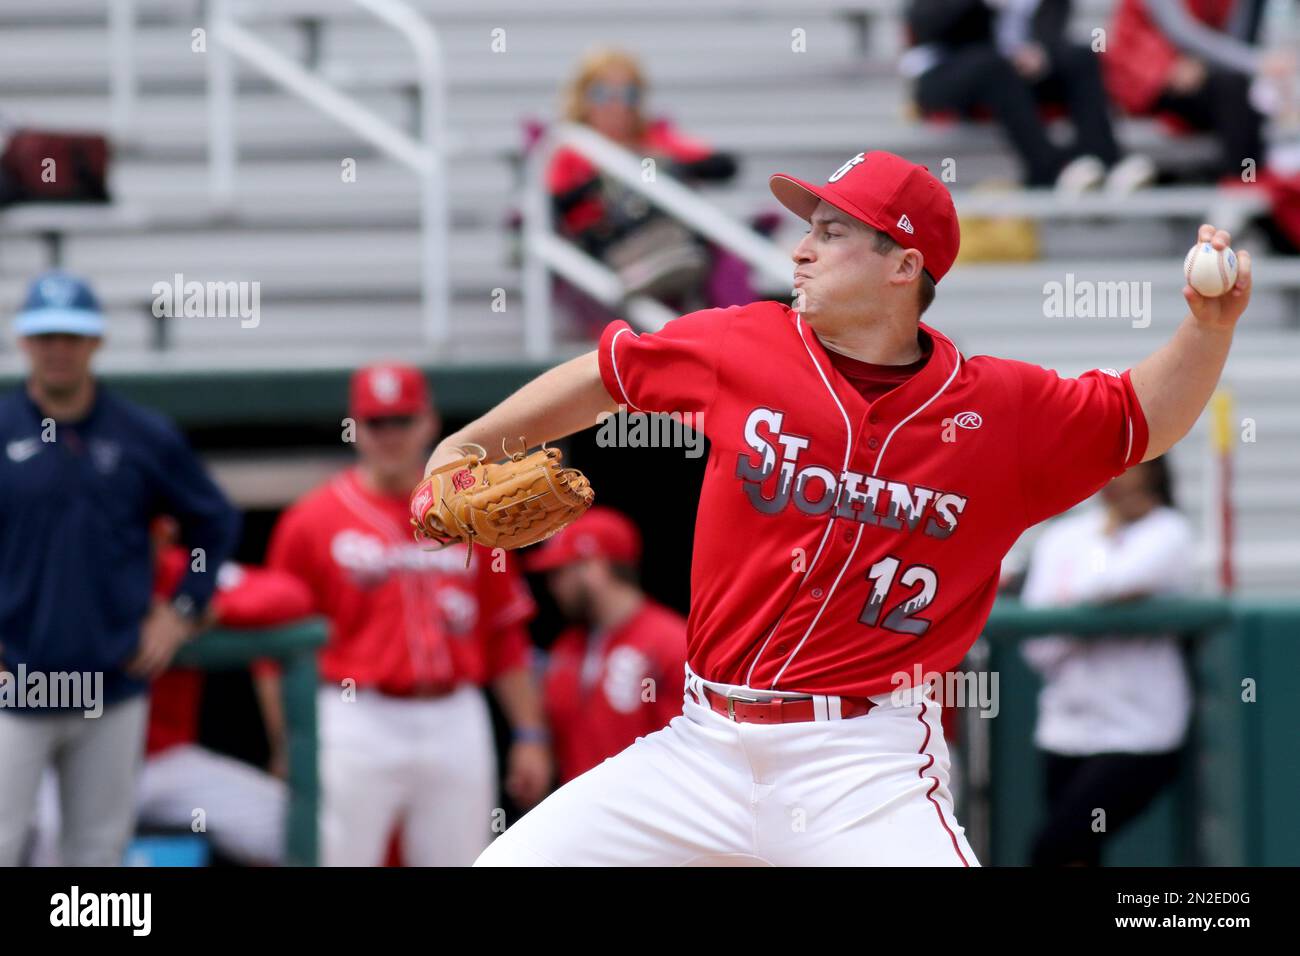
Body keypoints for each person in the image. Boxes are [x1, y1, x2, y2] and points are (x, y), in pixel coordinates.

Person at [423, 147, 1250, 867]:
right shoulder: (744, 344)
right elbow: (609, 376)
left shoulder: (1000, 410)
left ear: (903, 266)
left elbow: (1143, 418)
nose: (802, 250)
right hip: (702, 742)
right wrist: (468, 446)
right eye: (808, 228)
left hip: (860, 759)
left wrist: (1208, 329)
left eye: (831, 232)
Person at [264, 363, 552, 866]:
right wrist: (289, 739)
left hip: (456, 711)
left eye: (402, 420)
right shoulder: (309, 521)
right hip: (357, 713)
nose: (390, 435)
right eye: (377, 422)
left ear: (429, 422)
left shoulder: (474, 509)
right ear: (355, 428)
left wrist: (529, 732)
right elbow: (273, 649)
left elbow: (504, 634)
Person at [0, 270, 240, 866]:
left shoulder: (142, 435)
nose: (58, 349)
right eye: (46, 335)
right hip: (13, 686)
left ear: (95, 343)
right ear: (26, 342)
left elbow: (214, 520)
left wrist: (182, 610)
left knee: (98, 856)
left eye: (71, 336)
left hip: (111, 685)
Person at [29, 522, 310, 867]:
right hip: (70, 760)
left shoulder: (187, 574)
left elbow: (290, 595)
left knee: (293, 827)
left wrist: (200, 610)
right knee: (45, 836)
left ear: (165, 537)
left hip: (164, 762)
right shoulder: (60, 572)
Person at [1019, 457, 1196, 866]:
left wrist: (1078, 608)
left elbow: (1106, 584)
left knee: (1054, 849)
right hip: (1065, 727)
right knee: (1079, 854)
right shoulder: (1064, 536)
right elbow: (1038, 644)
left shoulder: (1170, 532)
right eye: (1107, 464)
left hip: (1140, 733)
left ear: (1153, 471)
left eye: (1129, 465)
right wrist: (1098, 610)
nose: (1115, 477)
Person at [544, 46, 760, 332]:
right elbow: (553, 206)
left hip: (671, 238)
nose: (617, 105)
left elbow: (722, 166)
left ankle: (741, 331)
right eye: (602, 93)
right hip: (611, 249)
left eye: (628, 95)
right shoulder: (571, 147)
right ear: (582, 97)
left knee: (728, 256)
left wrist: (662, 163)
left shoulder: (653, 139)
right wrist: (604, 178)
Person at [903, 0, 1156, 192]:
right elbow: (925, 23)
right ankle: (1051, 169)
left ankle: (1103, 160)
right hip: (947, 72)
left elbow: (1053, 18)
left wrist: (1041, 50)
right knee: (993, 67)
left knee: (1081, 57)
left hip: (1015, 73)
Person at [526, 507, 687, 785]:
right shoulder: (566, 646)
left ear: (594, 568)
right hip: (578, 813)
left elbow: (690, 750)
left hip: (648, 814)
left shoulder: (671, 641)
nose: (553, 586)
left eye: (559, 573)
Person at [1104, 0, 1293, 181]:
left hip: (1199, 75)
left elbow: (1226, 39)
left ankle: (1248, 184)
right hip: (1148, 79)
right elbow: (1181, 32)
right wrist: (1255, 63)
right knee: (1235, 91)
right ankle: (1241, 184)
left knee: (1246, 96)